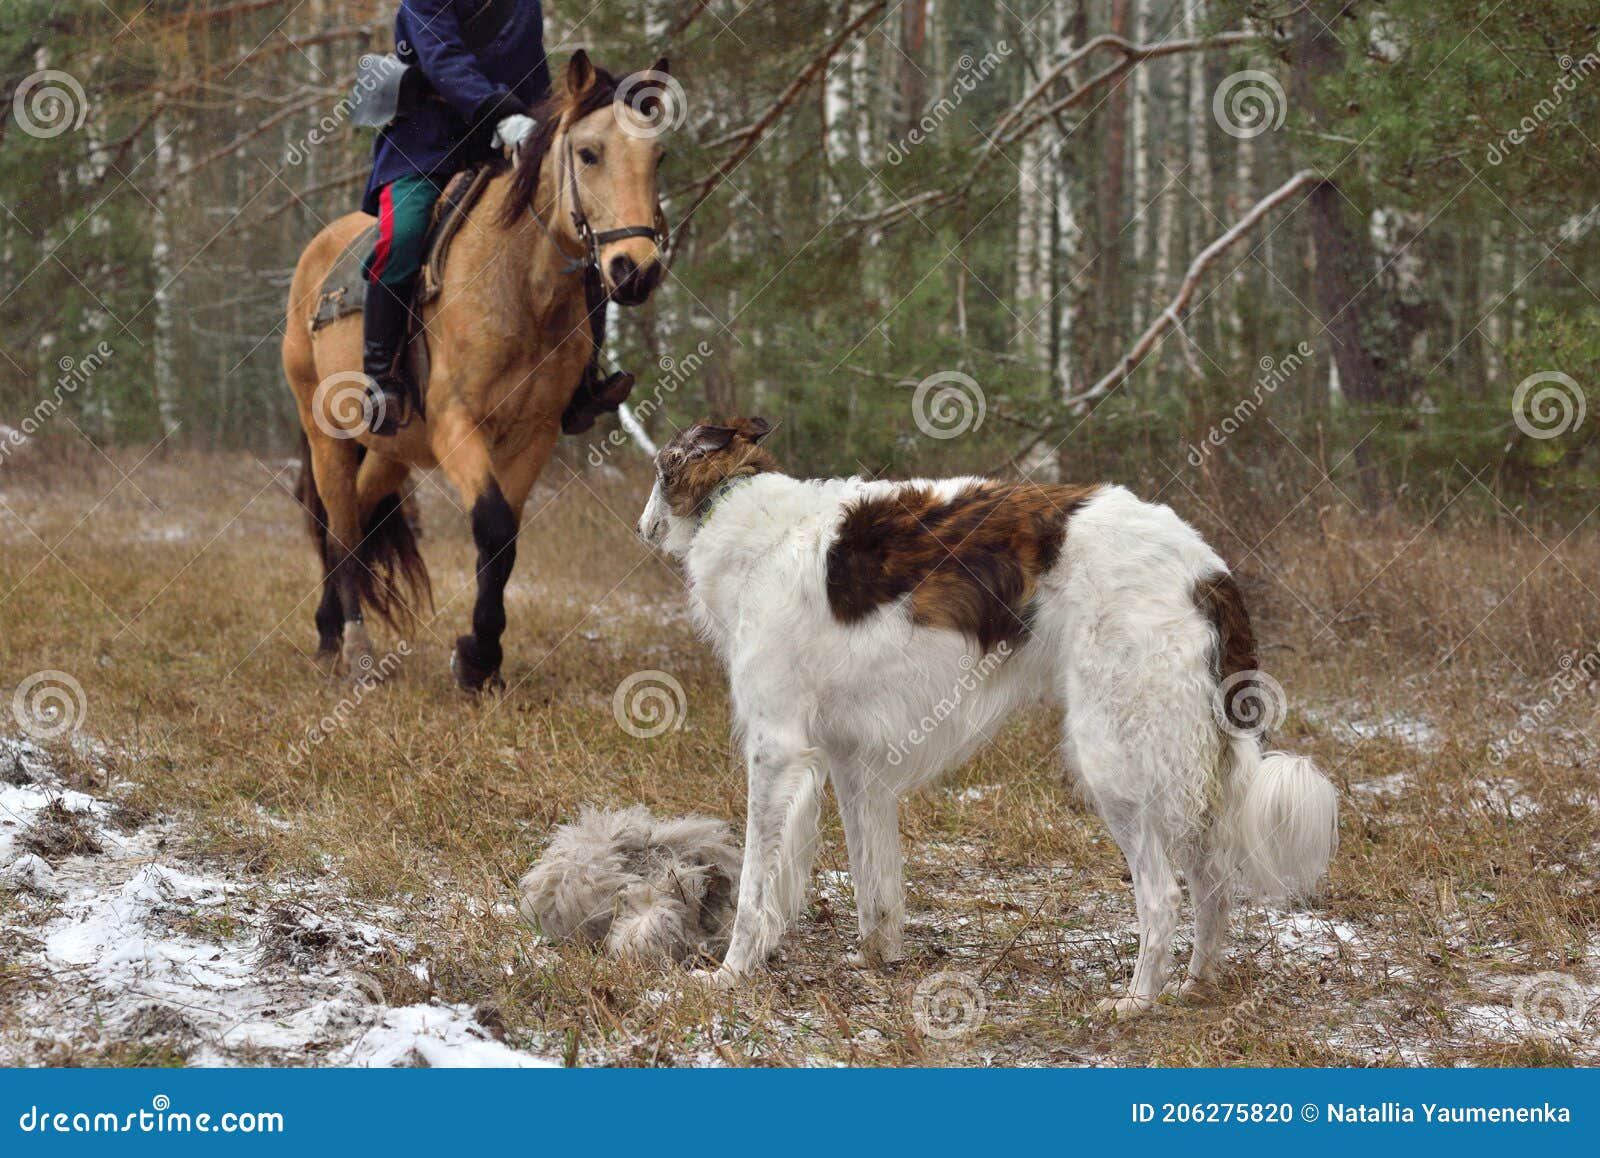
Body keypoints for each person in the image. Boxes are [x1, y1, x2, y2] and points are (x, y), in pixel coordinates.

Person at [358, 0, 631, 436]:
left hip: (500, 146)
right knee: (404, 233)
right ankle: (380, 378)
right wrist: (501, 112)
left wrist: (547, 124)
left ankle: (583, 378)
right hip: (426, 143)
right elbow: (443, 58)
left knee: (576, 228)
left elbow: (534, 72)